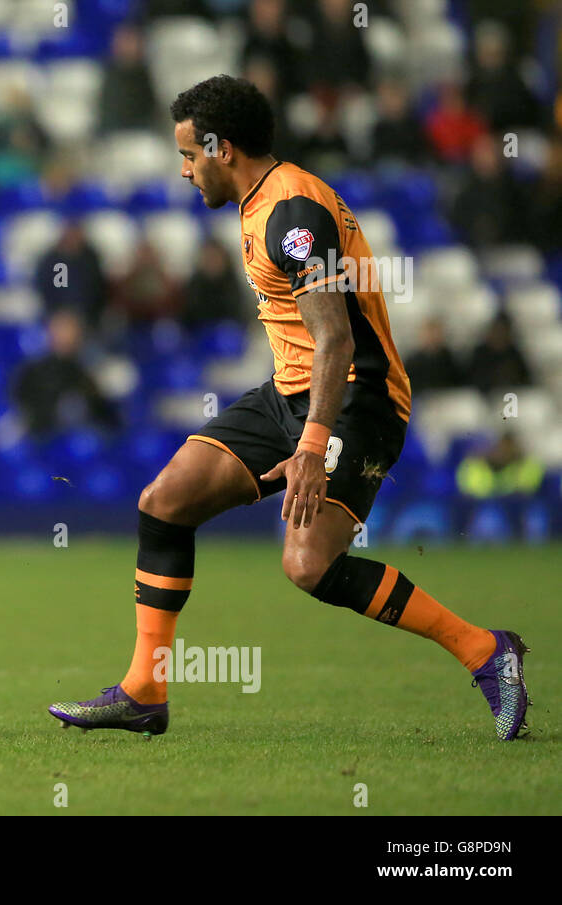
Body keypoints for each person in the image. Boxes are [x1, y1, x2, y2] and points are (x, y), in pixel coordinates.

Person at [49, 76, 530, 742]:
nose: (185, 170)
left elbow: (335, 338)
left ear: (221, 147)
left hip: (358, 396)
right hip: (289, 393)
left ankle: (485, 650)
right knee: (163, 503)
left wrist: (310, 444)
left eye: (190, 155)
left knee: (308, 566)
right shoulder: (257, 203)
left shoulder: (292, 215)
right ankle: (144, 690)